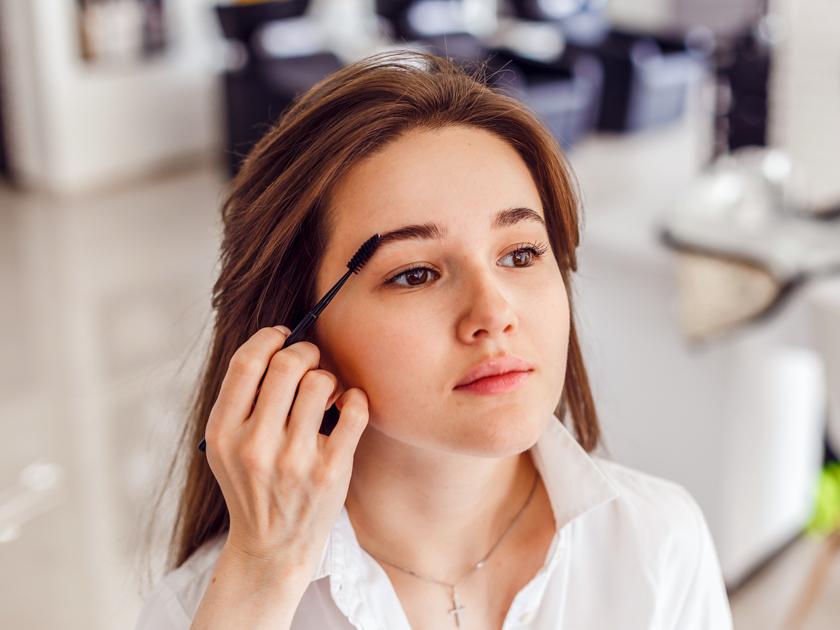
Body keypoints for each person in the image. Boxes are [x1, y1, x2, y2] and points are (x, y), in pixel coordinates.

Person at [134, 50, 733, 630]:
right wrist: (264, 578)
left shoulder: (658, 545)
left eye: (521, 253)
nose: (494, 312)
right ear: (295, 331)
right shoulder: (210, 609)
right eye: (415, 273)